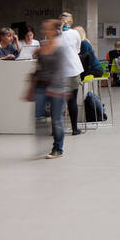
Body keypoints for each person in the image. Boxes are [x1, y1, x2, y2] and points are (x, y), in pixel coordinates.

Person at [36, 19, 71, 159]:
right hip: (42, 86)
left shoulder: (61, 47)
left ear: (55, 31)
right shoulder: (43, 46)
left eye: (48, 28)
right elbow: (41, 67)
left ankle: (58, 149)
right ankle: (43, 145)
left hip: (57, 88)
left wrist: (53, 87)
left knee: (56, 119)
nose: (45, 31)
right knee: (38, 116)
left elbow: (60, 70)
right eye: (44, 28)